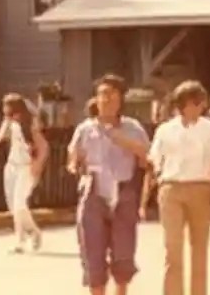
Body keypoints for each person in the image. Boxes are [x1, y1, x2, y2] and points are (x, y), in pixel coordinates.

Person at [69, 74, 149, 294]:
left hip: (124, 192)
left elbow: (147, 158)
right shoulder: (85, 129)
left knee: (123, 253)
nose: (107, 99)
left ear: (121, 99)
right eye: (103, 94)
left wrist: (122, 140)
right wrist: (75, 163)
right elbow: (72, 160)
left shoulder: (133, 128)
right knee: (92, 253)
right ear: (96, 98)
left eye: (113, 95)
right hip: (93, 191)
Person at [149, 80, 210, 295]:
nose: (198, 108)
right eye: (193, 103)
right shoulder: (165, 130)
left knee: (199, 250)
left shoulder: (209, 128)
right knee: (172, 251)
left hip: (201, 188)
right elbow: (155, 159)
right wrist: (159, 181)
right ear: (181, 104)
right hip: (171, 189)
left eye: (200, 103)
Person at [0, 93, 49, 254]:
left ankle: (27, 237)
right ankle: (27, 236)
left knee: (19, 204)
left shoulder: (30, 126)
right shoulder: (9, 123)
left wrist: (37, 165)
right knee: (14, 206)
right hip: (12, 167)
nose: (4, 109)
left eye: (7, 105)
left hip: (26, 167)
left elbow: (44, 147)